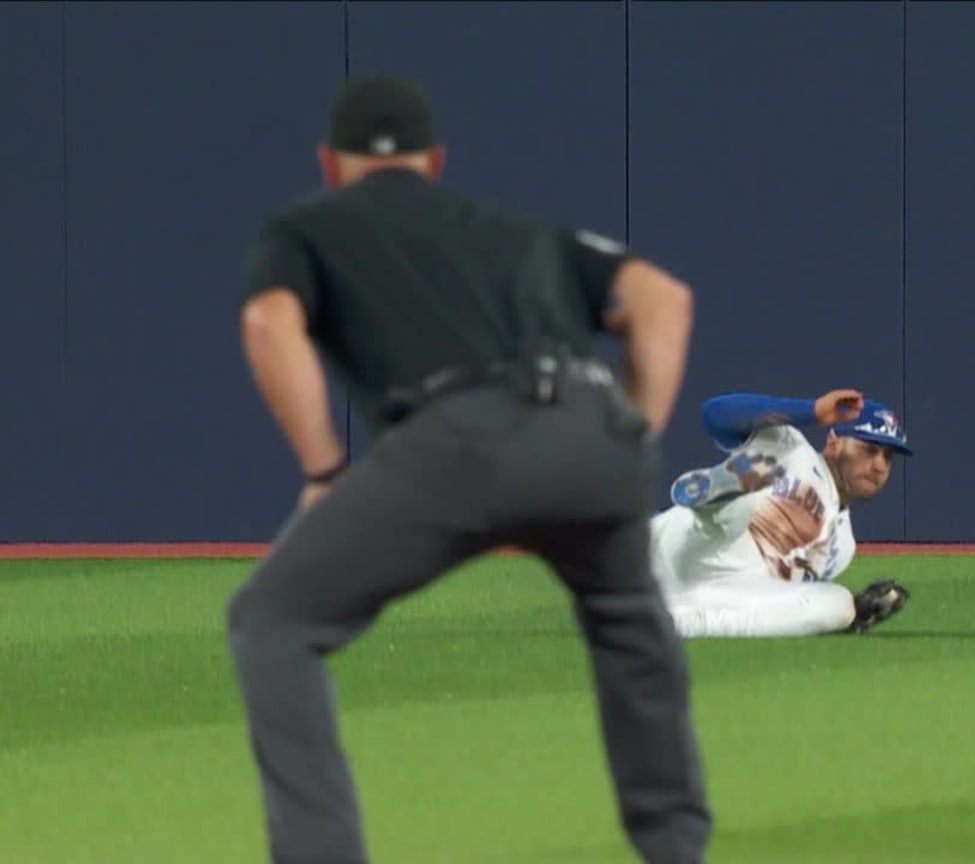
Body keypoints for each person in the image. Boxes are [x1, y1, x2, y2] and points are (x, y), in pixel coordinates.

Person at [225, 75, 711, 864]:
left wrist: (322, 467)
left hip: (458, 441)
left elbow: (267, 322)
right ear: (435, 161)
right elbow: (665, 299)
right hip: (591, 433)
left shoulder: (306, 227)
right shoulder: (515, 231)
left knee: (273, 622)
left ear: (328, 161)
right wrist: (634, 433)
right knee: (630, 627)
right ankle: (675, 849)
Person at [647, 388, 914, 638]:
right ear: (834, 443)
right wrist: (812, 411)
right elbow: (715, 413)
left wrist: (854, 616)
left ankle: (678, 621)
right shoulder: (791, 448)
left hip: (722, 592)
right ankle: (718, 496)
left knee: (840, 604)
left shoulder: (844, 546)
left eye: (887, 457)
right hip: (679, 552)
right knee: (741, 507)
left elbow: (785, 606)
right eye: (869, 449)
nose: (879, 465)